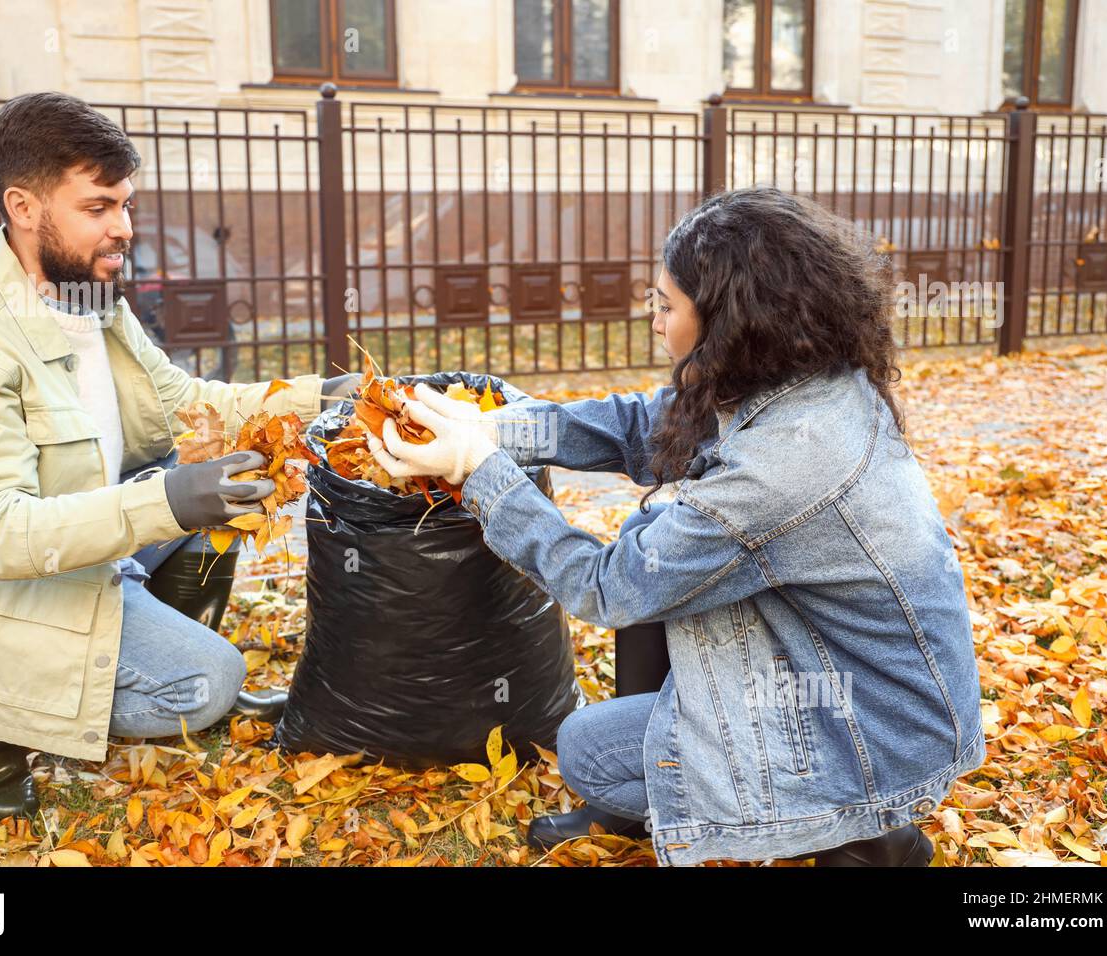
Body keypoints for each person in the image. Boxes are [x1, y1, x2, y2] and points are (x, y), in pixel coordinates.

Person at [369, 186, 987, 866]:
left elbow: (607, 587)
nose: (656, 323)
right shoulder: (799, 377)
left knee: (588, 752)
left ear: (728, 317)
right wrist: (496, 428)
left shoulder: (788, 462)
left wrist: (481, 470)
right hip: (849, 672)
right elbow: (647, 424)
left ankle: (869, 833)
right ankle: (786, 809)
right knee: (663, 541)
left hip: (874, 728)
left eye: (666, 305)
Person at [0, 91, 358, 819]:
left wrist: (324, 397)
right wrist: (166, 502)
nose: (124, 229)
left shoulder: (89, 299)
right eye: (99, 207)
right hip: (0, 597)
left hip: (91, 558)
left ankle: (128, 638)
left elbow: (187, 402)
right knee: (208, 682)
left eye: (127, 205)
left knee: (230, 483)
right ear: (23, 206)